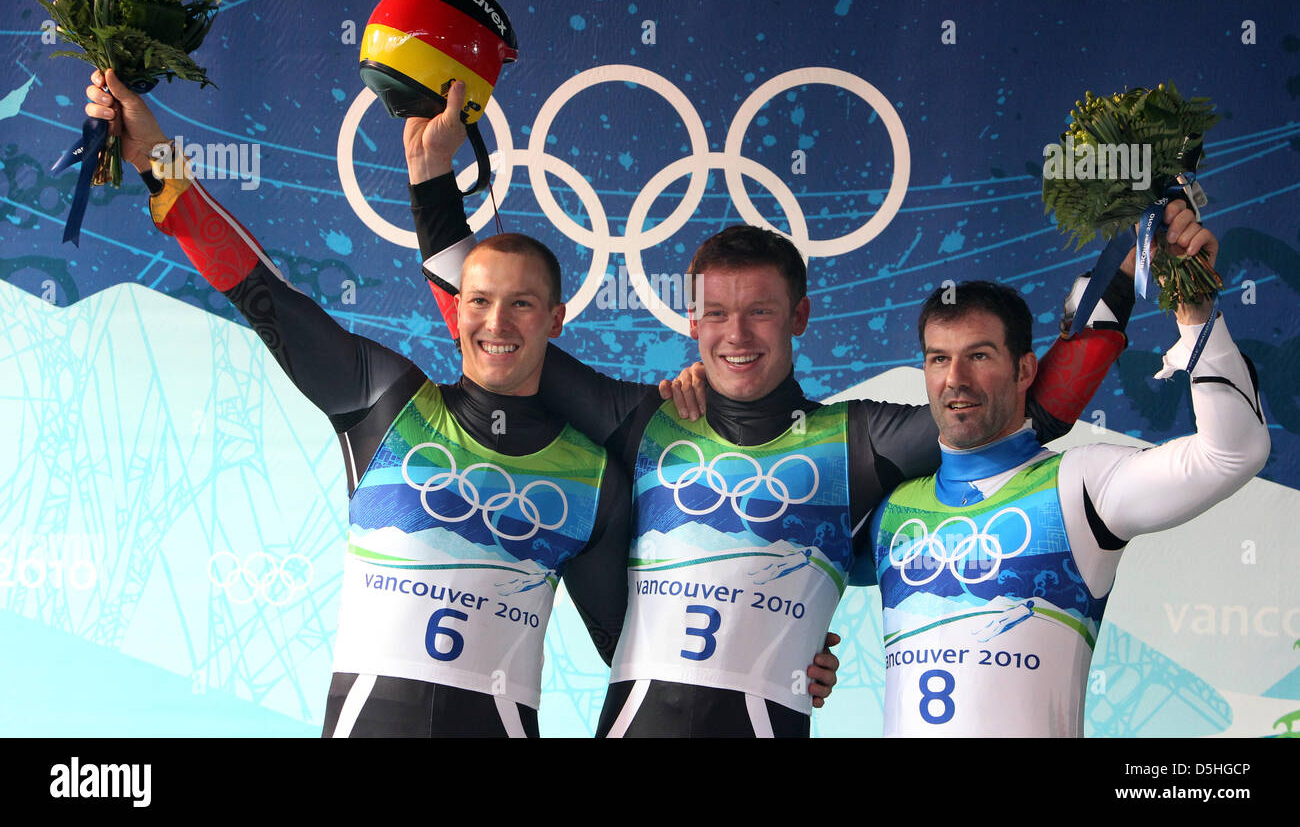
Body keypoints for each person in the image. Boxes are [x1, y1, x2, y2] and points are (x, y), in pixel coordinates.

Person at [410, 148, 1134, 736]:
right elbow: (495, 335)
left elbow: (1035, 409)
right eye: (717, 313)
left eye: (760, 311)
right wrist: (432, 172)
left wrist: (1131, 248)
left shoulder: (855, 440)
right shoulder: (648, 417)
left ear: (801, 316)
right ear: (692, 321)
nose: (736, 334)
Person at [83, 68, 632, 737]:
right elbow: (262, 293)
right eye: (480, 301)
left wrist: (799, 658)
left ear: (556, 319)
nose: (497, 322)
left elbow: (636, 654)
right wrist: (155, 160)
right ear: (455, 312)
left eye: (522, 303)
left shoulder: (594, 474)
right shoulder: (385, 401)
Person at [870, 204, 1269, 735]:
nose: (955, 379)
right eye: (938, 359)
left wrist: (1194, 310)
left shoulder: (1080, 487)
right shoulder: (891, 510)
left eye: (980, 356)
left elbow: (1232, 453)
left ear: (1025, 370)